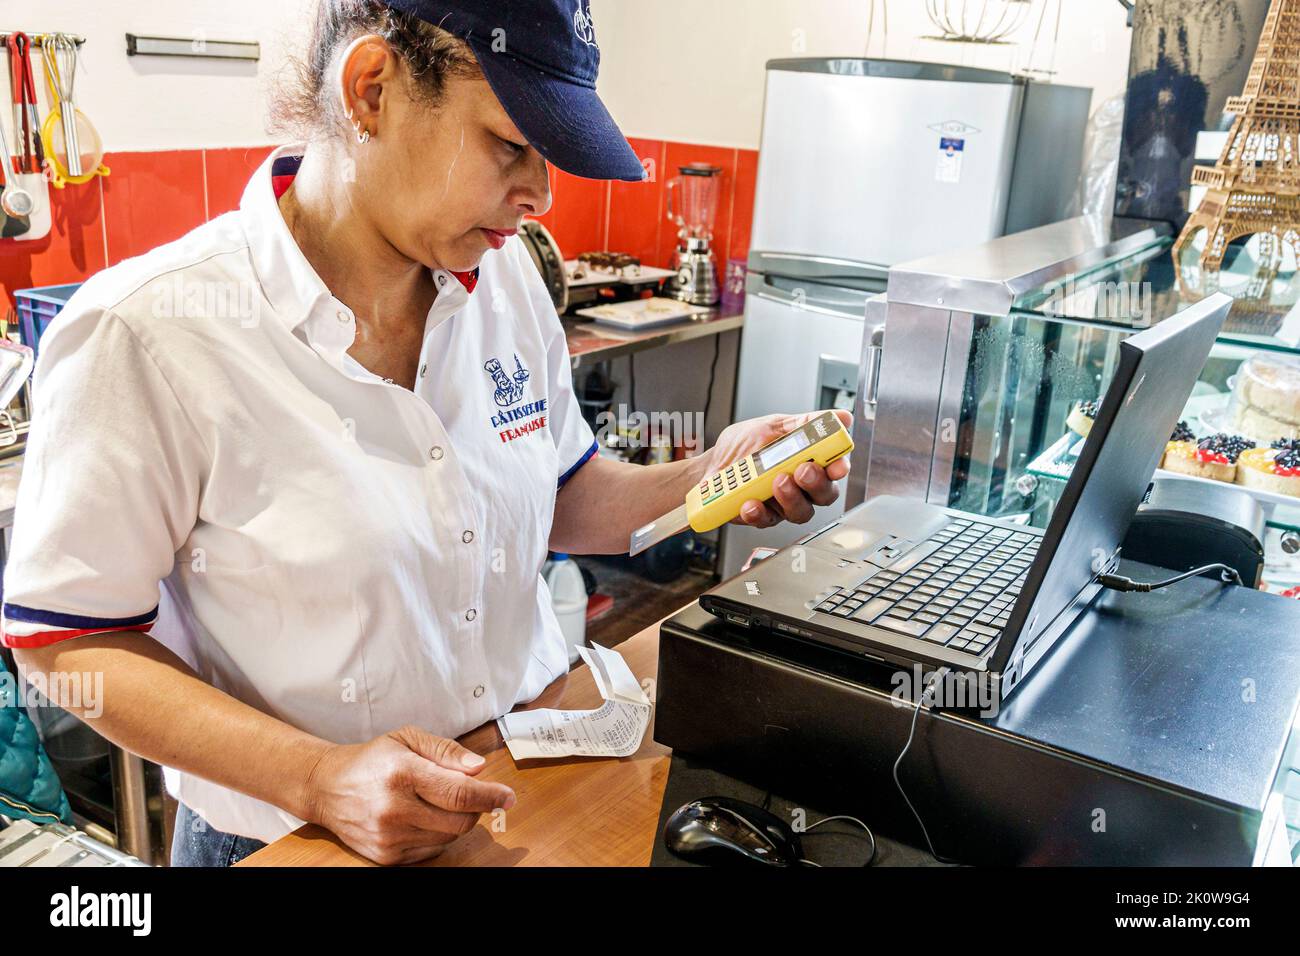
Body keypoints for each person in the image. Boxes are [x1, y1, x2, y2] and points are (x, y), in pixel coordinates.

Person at [3, 0, 852, 866]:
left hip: (517, 784)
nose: (541, 194)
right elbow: (67, 641)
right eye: (509, 144)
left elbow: (566, 495)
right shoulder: (151, 330)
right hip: (296, 838)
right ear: (371, 89)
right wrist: (318, 776)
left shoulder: (505, 275)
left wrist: (712, 476)